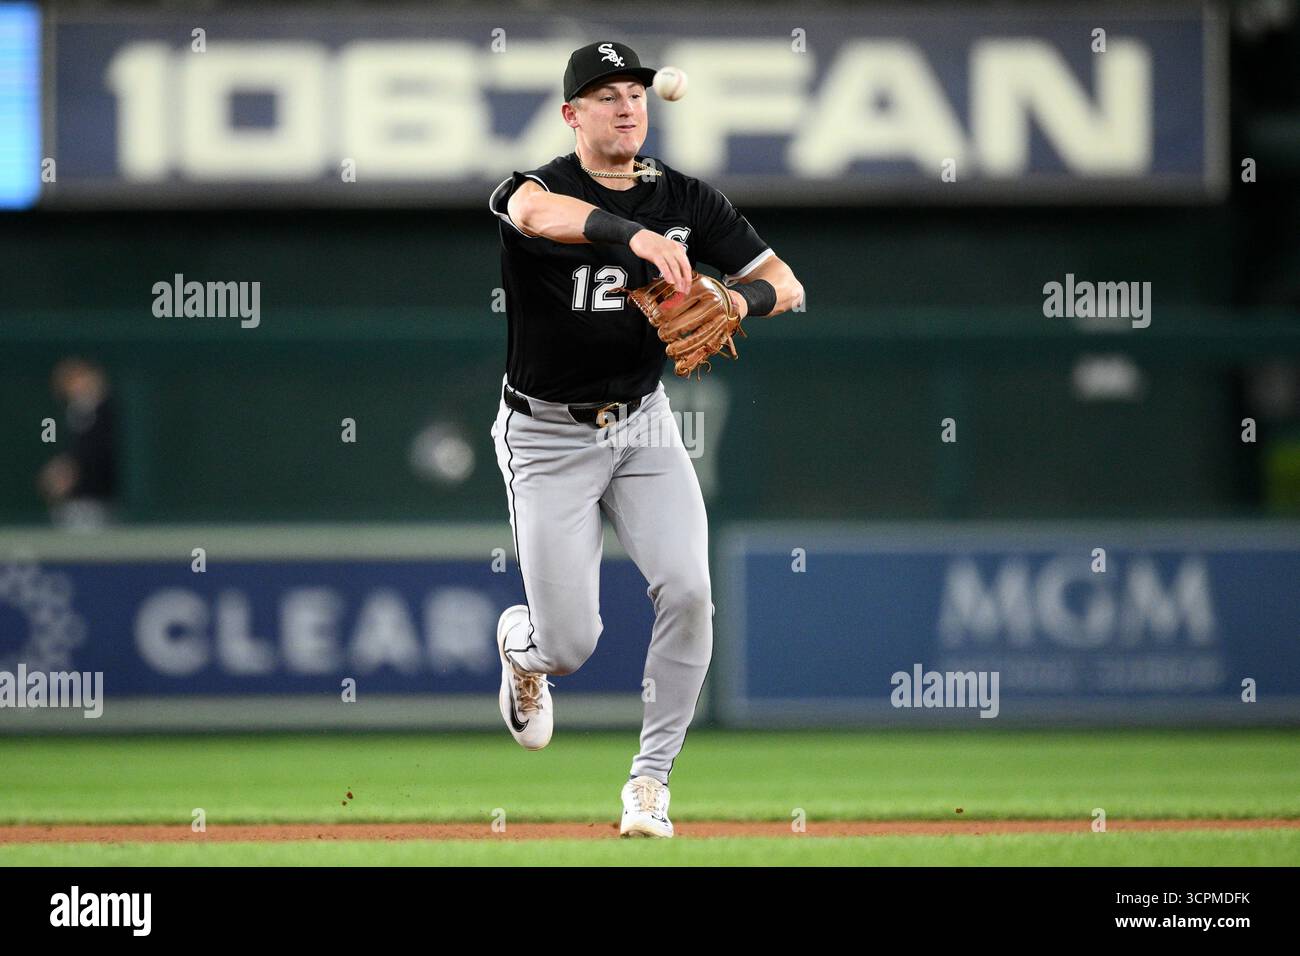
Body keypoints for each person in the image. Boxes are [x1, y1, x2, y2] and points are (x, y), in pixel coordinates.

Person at [486, 41, 804, 837]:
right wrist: (629, 236)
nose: (626, 105)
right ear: (571, 115)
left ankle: (649, 784)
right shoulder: (544, 187)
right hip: (545, 436)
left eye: (633, 91)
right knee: (571, 646)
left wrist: (735, 301)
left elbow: (789, 285)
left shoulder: (687, 198)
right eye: (604, 95)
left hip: (641, 424)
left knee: (691, 593)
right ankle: (525, 653)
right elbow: (531, 215)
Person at [37, 358, 119, 531]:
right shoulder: (70, 414)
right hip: (74, 505)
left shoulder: (108, 411)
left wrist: (72, 471)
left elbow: (100, 450)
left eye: (79, 378)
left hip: (98, 502)